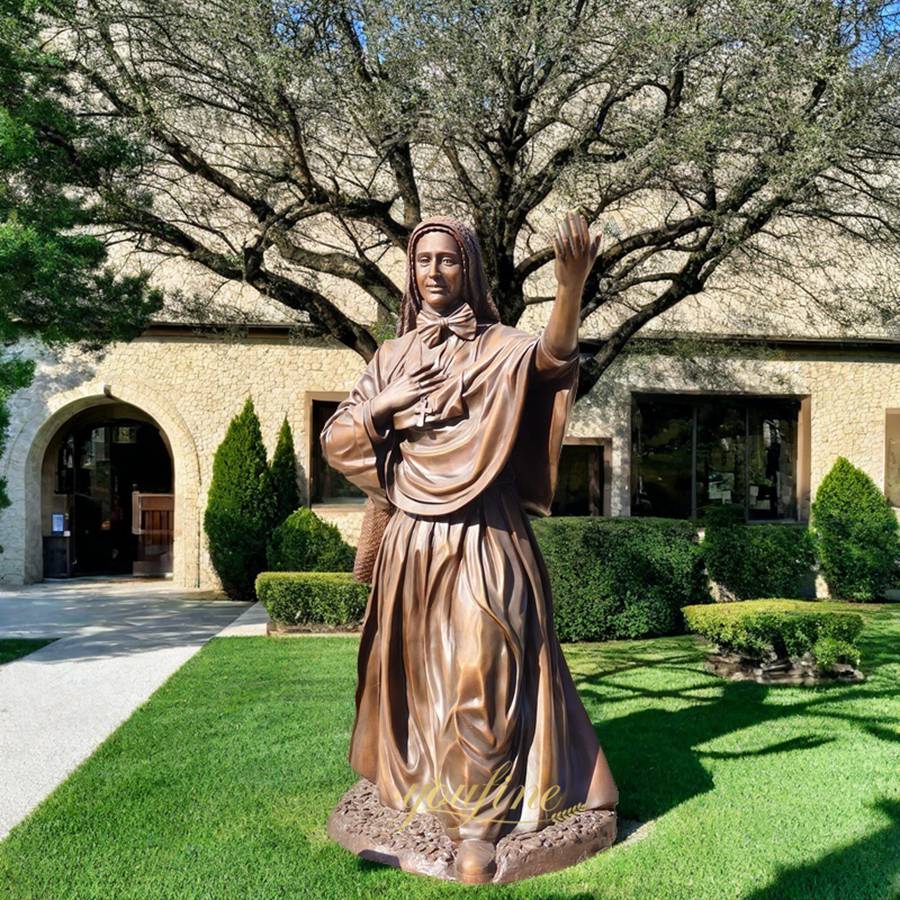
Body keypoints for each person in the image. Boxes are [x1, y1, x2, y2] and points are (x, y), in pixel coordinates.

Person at [320, 211, 618, 884]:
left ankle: (481, 828)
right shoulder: (390, 357)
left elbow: (554, 361)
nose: (433, 271)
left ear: (470, 269)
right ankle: (427, 801)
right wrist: (381, 405)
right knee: (423, 685)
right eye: (422, 259)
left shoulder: (503, 347)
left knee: (486, 670)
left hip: (487, 534)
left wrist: (569, 288)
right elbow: (338, 441)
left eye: (447, 259)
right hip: (413, 542)